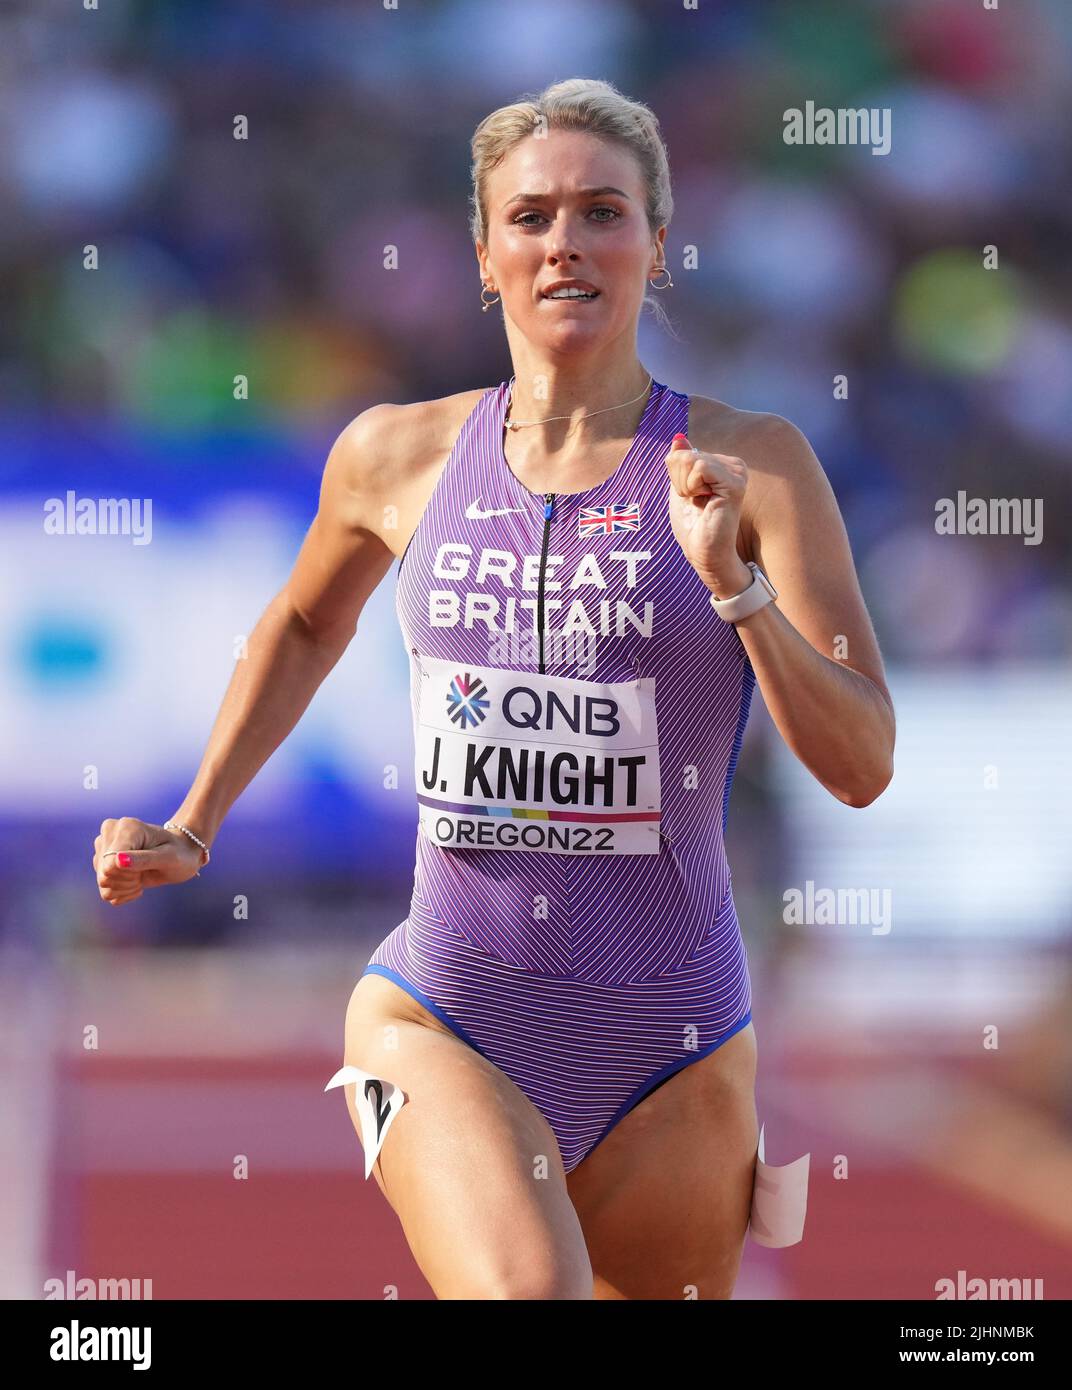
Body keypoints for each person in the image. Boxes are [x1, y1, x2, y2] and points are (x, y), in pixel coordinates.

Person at [93, 77, 895, 1300]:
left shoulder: (756, 465)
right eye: (530, 217)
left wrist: (737, 589)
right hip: (447, 1013)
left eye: (601, 211)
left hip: (678, 1050)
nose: (564, 241)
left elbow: (861, 763)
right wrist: (196, 820)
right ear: (484, 254)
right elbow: (305, 620)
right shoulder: (396, 453)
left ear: (656, 245)